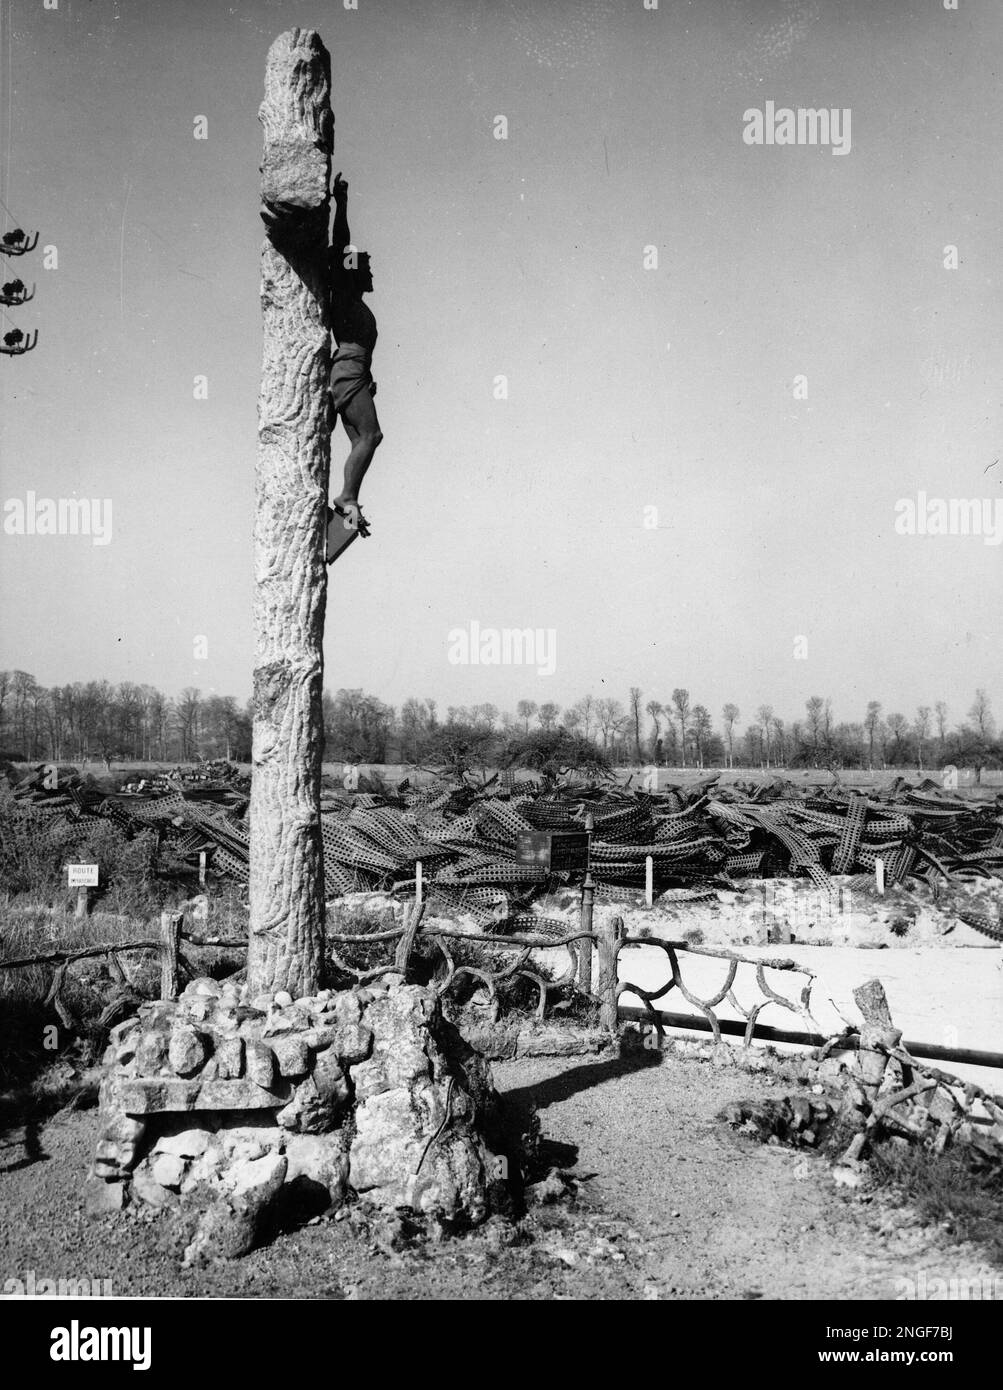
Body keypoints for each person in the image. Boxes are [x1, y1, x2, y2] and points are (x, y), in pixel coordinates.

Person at [326, 171, 381, 554]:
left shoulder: (356, 302)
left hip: (354, 372)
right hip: (347, 370)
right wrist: (341, 203)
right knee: (370, 436)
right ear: (353, 269)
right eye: (367, 265)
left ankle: (346, 503)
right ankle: (347, 497)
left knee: (364, 439)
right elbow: (341, 244)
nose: (371, 270)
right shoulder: (345, 293)